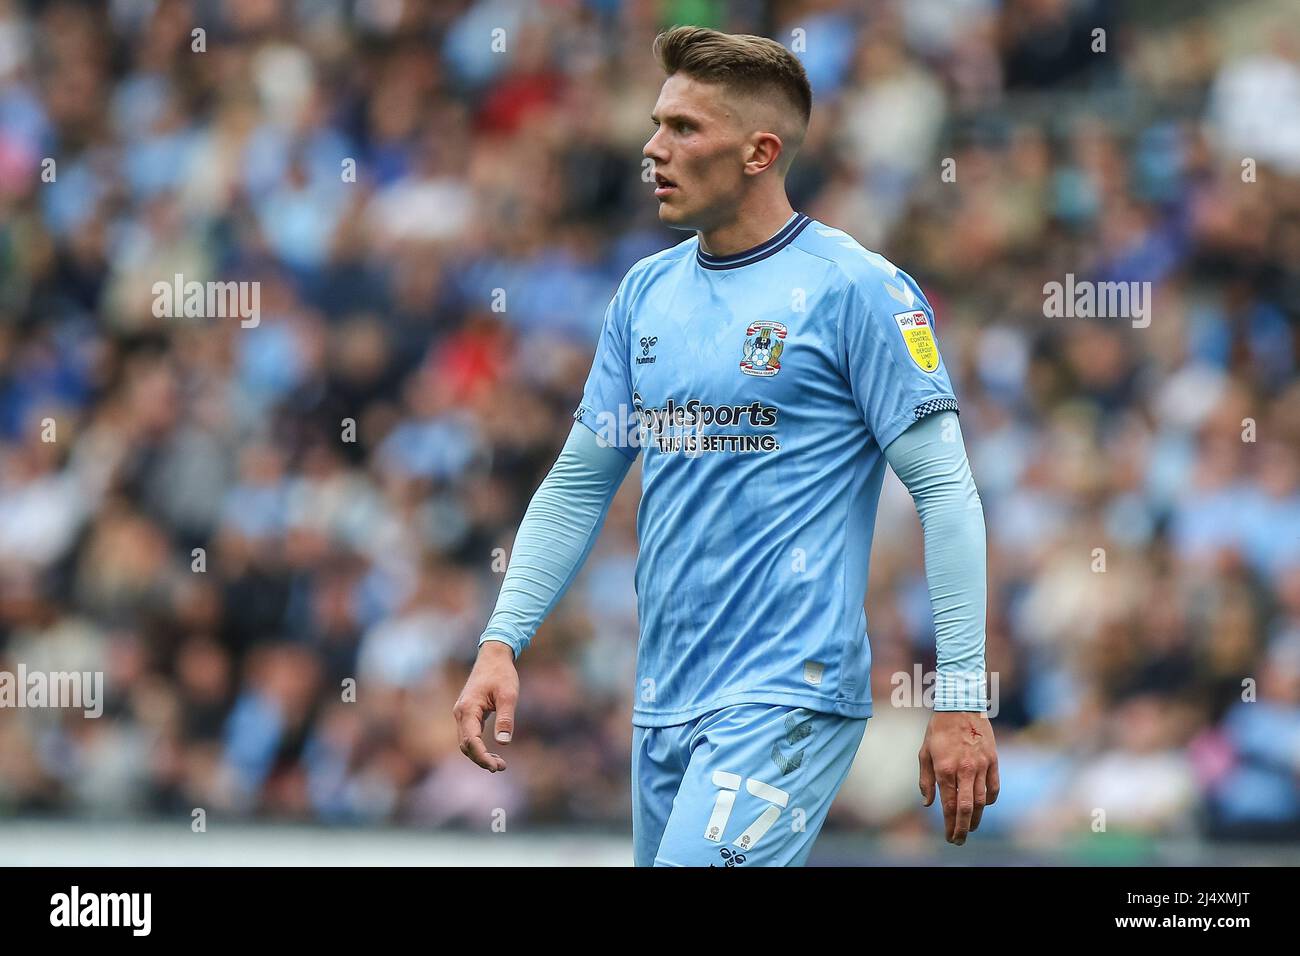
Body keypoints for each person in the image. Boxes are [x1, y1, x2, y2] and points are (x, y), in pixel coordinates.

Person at [454, 25, 998, 866]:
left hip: (790, 691)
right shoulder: (645, 293)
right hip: (665, 699)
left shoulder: (857, 289)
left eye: (683, 129)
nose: (652, 148)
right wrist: (503, 639)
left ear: (759, 151)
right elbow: (577, 486)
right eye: (657, 122)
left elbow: (947, 491)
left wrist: (960, 694)